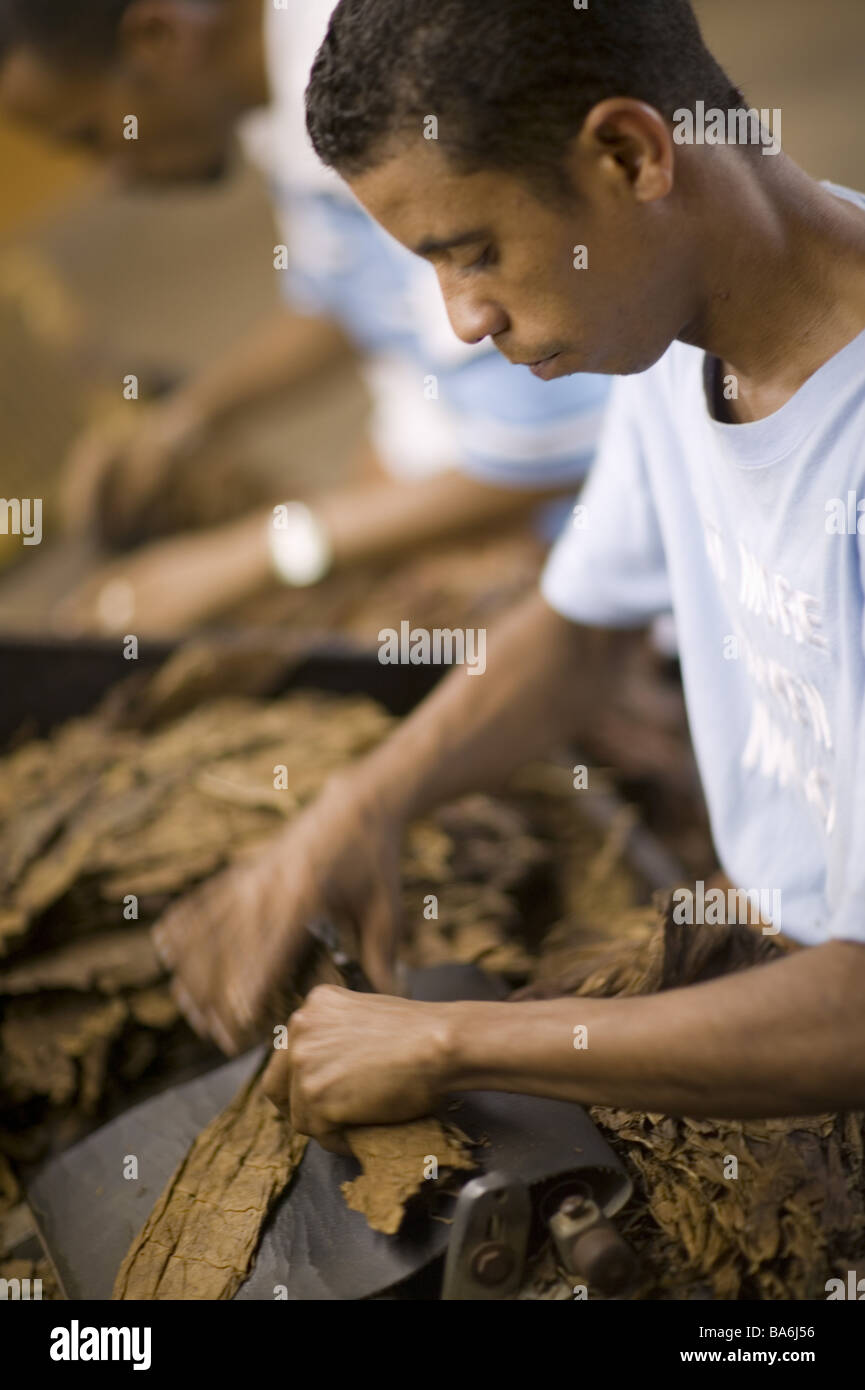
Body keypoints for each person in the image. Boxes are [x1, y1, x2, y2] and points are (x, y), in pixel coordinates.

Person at [144, 0, 865, 1143]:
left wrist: (452, 1041)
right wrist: (357, 808)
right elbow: (582, 624)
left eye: (474, 252)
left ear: (629, 155)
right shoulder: (676, 338)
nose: (466, 318)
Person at [0, 0, 608, 636]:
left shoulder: (390, 95)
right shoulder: (278, 88)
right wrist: (186, 422)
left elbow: (548, 445)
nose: (115, 173)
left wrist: (257, 557)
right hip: (459, 482)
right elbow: (352, 296)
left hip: (574, 529)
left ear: (158, 38)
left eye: (92, 135)